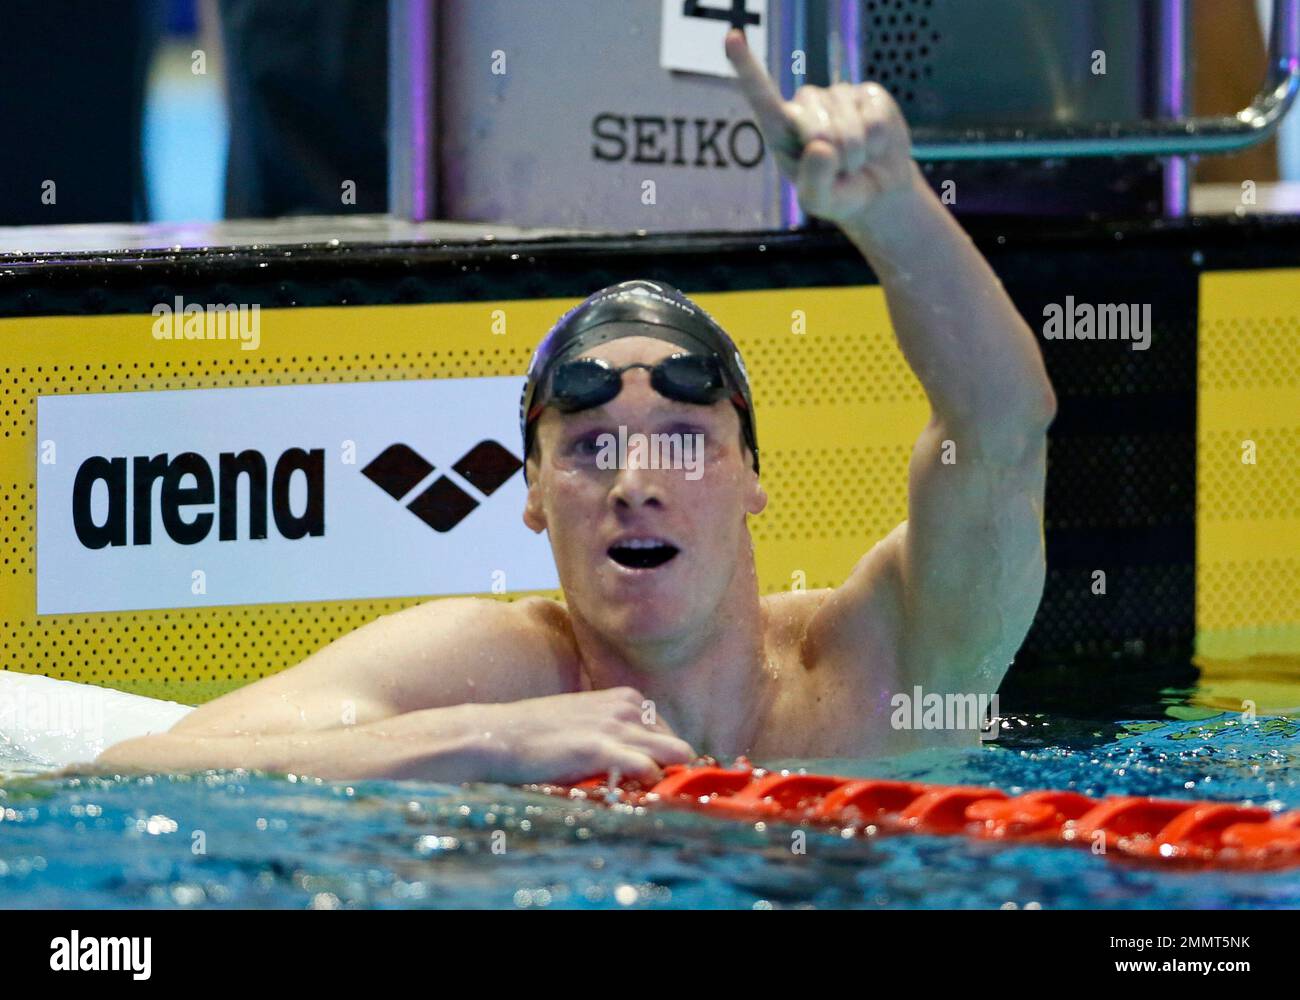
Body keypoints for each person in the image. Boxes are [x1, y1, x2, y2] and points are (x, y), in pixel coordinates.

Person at [94, 29, 1056, 784]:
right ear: (534, 496)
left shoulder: (878, 672)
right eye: (590, 447)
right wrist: (483, 740)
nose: (636, 484)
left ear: (752, 478)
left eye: (682, 440)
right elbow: (144, 770)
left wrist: (889, 211)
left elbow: (1004, 429)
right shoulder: (492, 673)